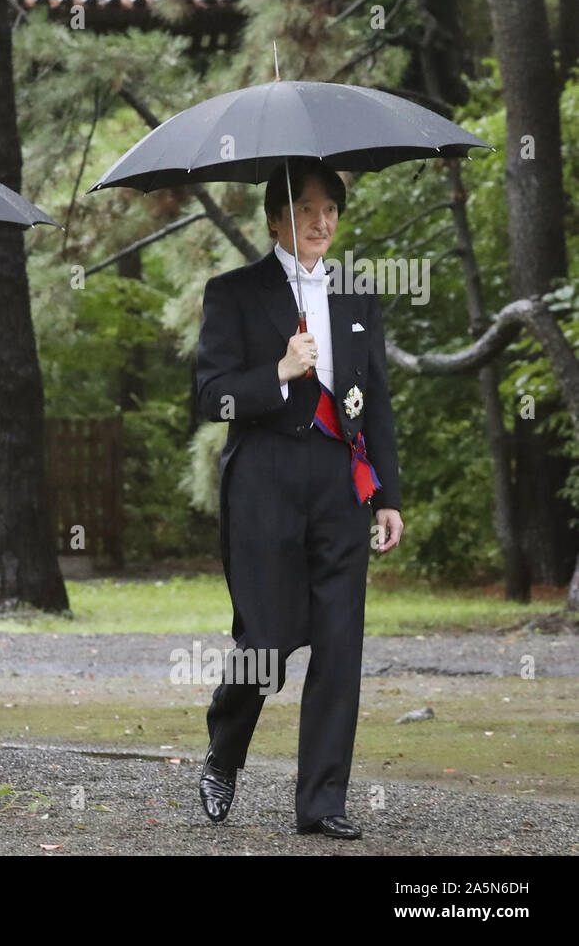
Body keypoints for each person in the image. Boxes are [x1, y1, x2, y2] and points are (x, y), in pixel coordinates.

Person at [194, 158, 403, 839]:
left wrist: (389, 497)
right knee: (267, 641)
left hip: (342, 482)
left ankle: (320, 802)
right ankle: (225, 752)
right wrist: (279, 372)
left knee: (340, 641)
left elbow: (378, 405)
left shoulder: (357, 294)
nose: (321, 221)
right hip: (264, 481)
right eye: (307, 208)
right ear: (276, 217)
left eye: (331, 210)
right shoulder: (234, 293)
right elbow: (209, 395)